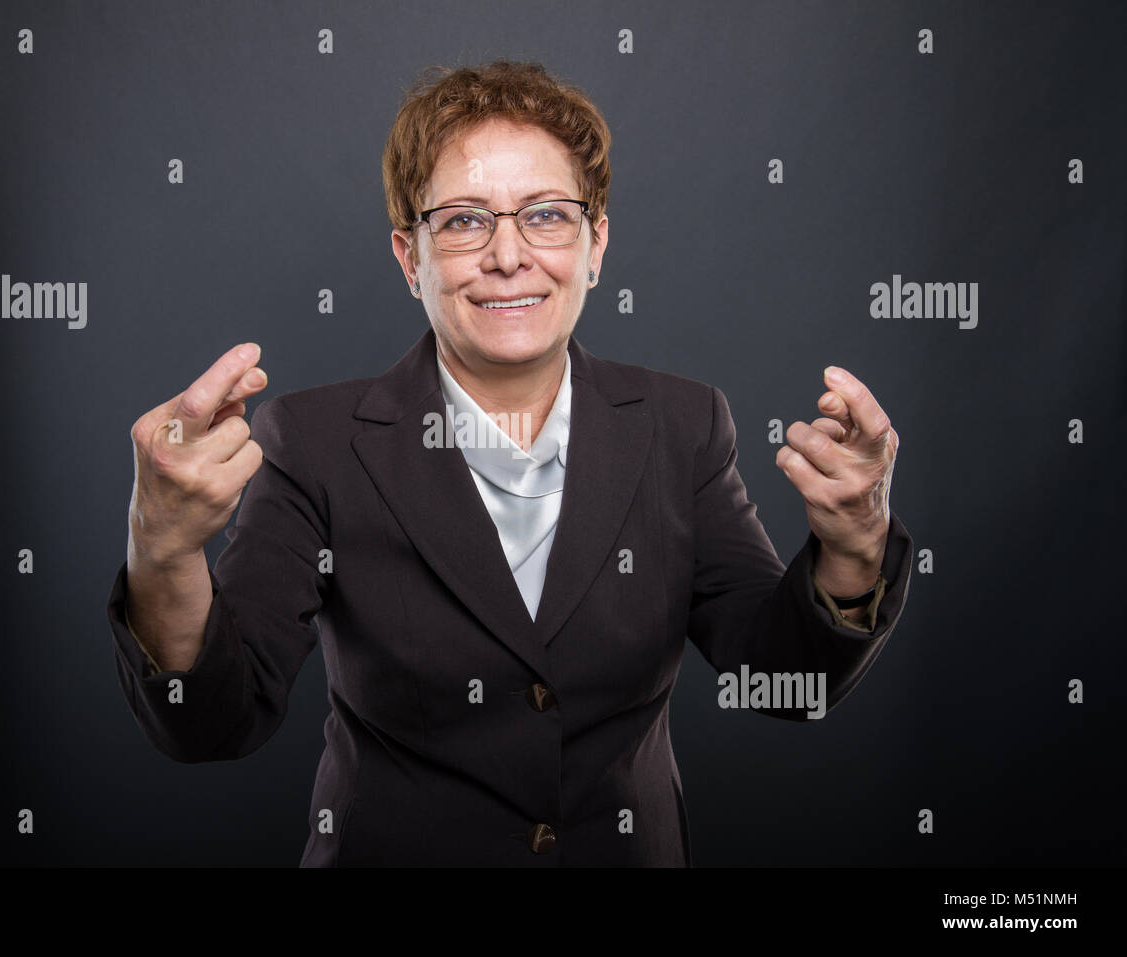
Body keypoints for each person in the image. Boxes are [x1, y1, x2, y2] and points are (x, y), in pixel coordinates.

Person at [108, 60, 913, 866]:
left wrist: (852, 543)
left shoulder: (684, 425)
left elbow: (783, 675)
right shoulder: (313, 441)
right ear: (409, 257)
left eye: (547, 216)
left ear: (596, 244)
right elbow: (211, 721)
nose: (507, 254)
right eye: (463, 221)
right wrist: (165, 549)